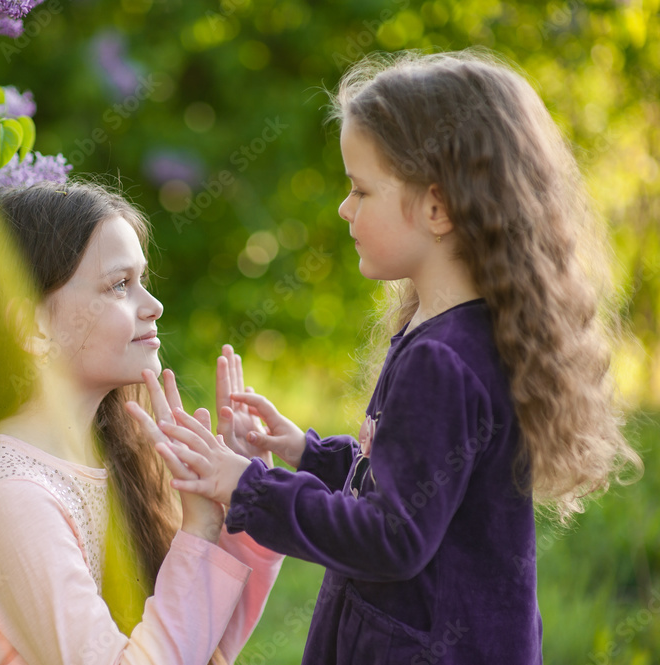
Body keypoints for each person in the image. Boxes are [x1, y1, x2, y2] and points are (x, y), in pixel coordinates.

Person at [152, 50, 643, 664]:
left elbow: (393, 535)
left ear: (437, 207)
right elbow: (413, 485)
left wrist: (249, 487)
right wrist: (305, 453)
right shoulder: (459, 332)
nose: (344, 208)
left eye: (361, 189)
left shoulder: (444, 360)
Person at [0, 181, 283, 664]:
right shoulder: (10, 492)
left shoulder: (124, 454)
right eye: (119, 285)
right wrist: (196, 530)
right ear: (32, 328)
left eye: (143, 279)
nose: (152, 305)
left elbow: (201, 645)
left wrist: (245, 505)